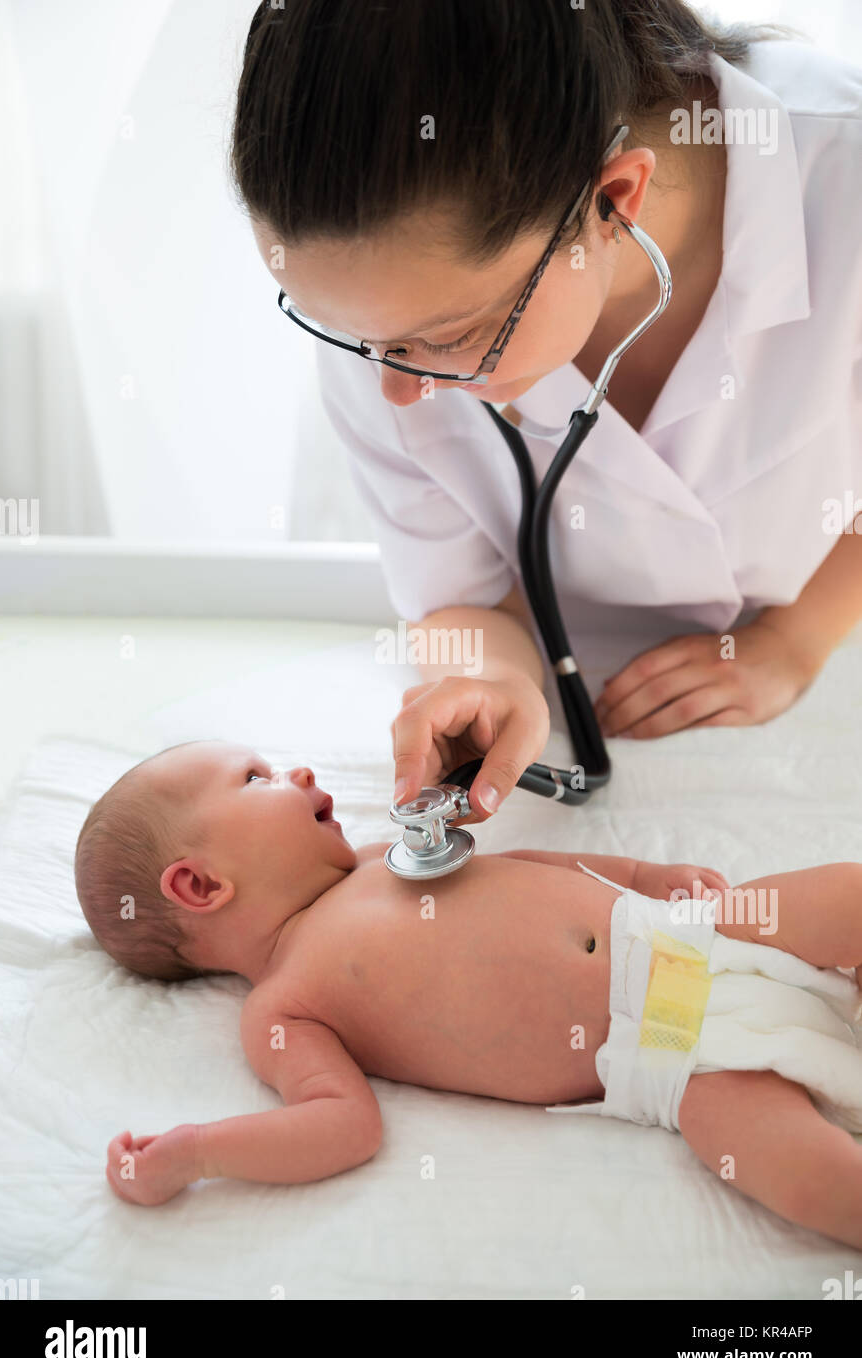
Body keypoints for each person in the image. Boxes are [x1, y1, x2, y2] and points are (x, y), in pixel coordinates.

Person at [230, 0, 862, 821]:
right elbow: (457, 591)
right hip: (579, 670)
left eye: (455, 335)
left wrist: (795, 642)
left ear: (615, 199)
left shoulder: (843, 184)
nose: (396, 388)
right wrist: (492, 681)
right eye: (356, 339)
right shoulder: (387, 306)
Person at [76, 741, 862, 1250]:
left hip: (696, 932)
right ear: (200, 884)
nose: (300, 772)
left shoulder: (385, 857)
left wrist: (642, 878)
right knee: (805, 1176)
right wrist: (200, 1152)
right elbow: (340, 1126)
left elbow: (528, 866)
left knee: (845, 898)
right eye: (256, 779)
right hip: (670, 1061)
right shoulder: (281, 1009)